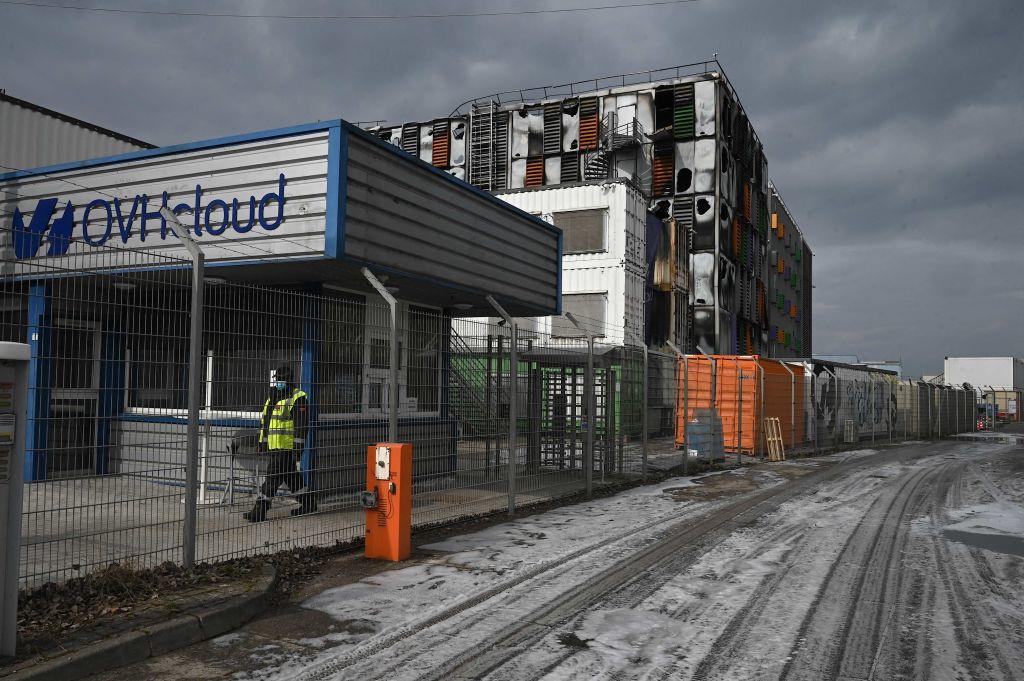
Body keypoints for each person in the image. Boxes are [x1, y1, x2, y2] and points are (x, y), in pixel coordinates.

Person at [244, 365, 317, 522]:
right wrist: (262, 442)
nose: (279, 382)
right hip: (274, 447)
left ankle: (260, 510)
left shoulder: (298, 397)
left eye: (282, 380)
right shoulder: (273, 397)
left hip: (287, 448)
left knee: (272, 478)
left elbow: (302, 426)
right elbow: (265, 422)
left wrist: (297, 449)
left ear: (289, 380)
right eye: (277, 379)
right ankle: (309, 504)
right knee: (291, 477)